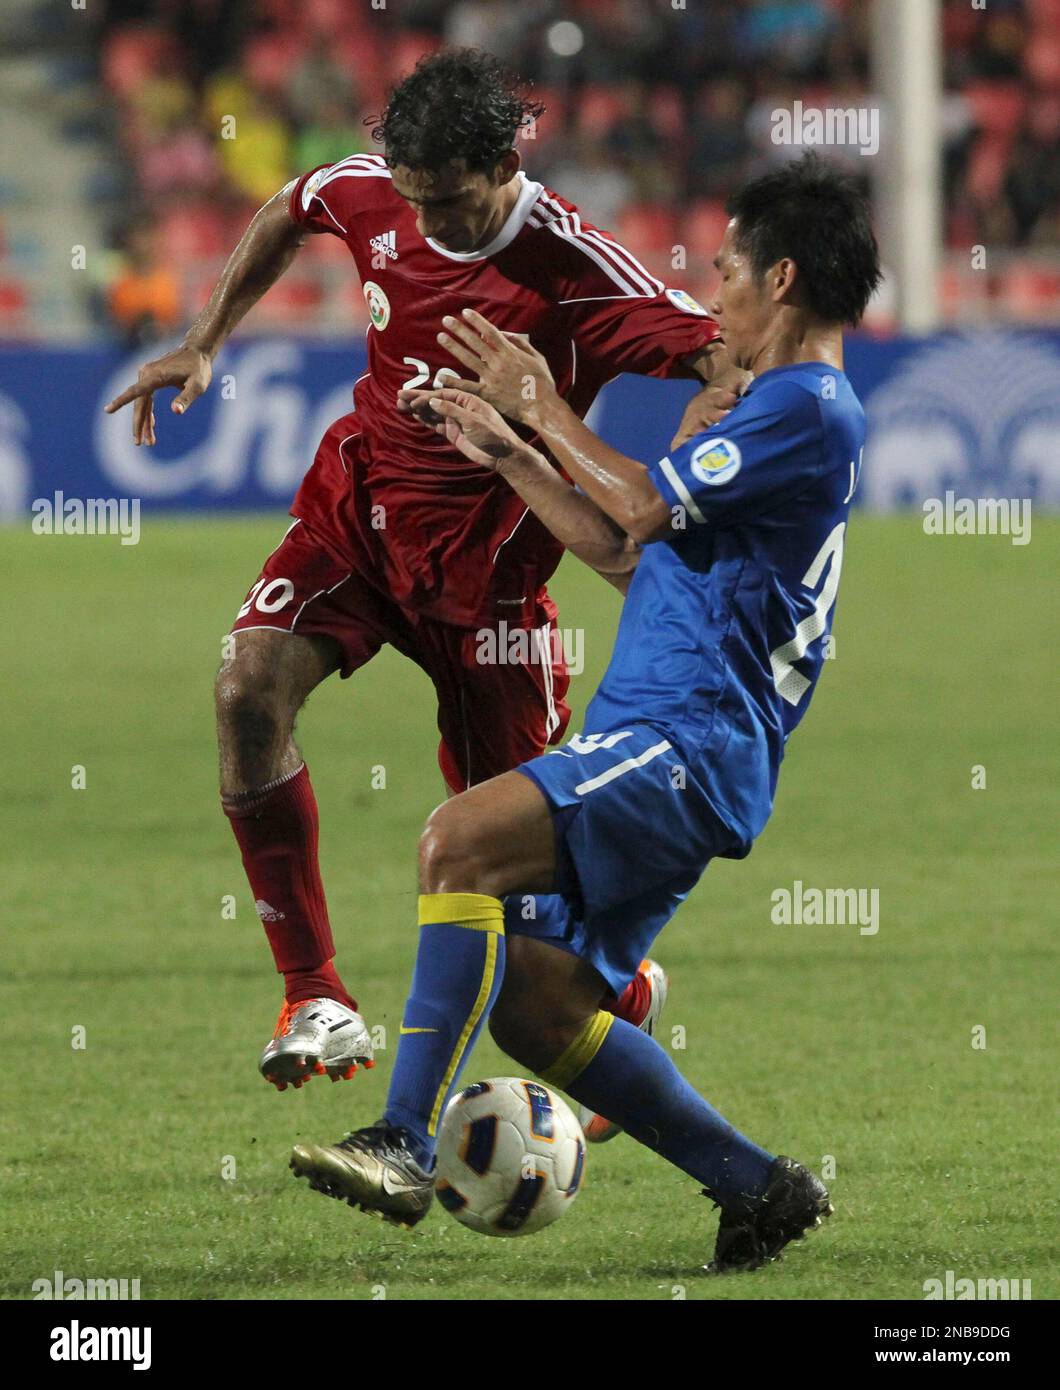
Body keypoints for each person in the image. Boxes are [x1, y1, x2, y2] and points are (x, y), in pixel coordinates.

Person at [103, 49, 742, 1095]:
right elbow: (289, 205)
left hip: (487, 587)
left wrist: (709, 420)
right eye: (413, 200)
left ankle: (622, 996)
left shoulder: (575, 265)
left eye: (449, 203)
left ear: (502, 160)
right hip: (355, 521)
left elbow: (722, 357)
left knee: (510, 894)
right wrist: (205, 337)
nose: (428, 222)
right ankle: (315, 992)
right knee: (244, 691)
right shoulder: (372, 191)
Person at [289, 153, 882, 1274]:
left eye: (727, 273)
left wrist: (542, 401)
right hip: (666, 739)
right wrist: (514, 452)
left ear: (783, 279)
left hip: (684, 740)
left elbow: (648, 505)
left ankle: (404, 1143)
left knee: (457, 840)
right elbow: (624, 548)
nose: (715, 298)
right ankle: (756, 1185)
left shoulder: (808, 404)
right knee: (538, 1007)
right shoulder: (779, 410)